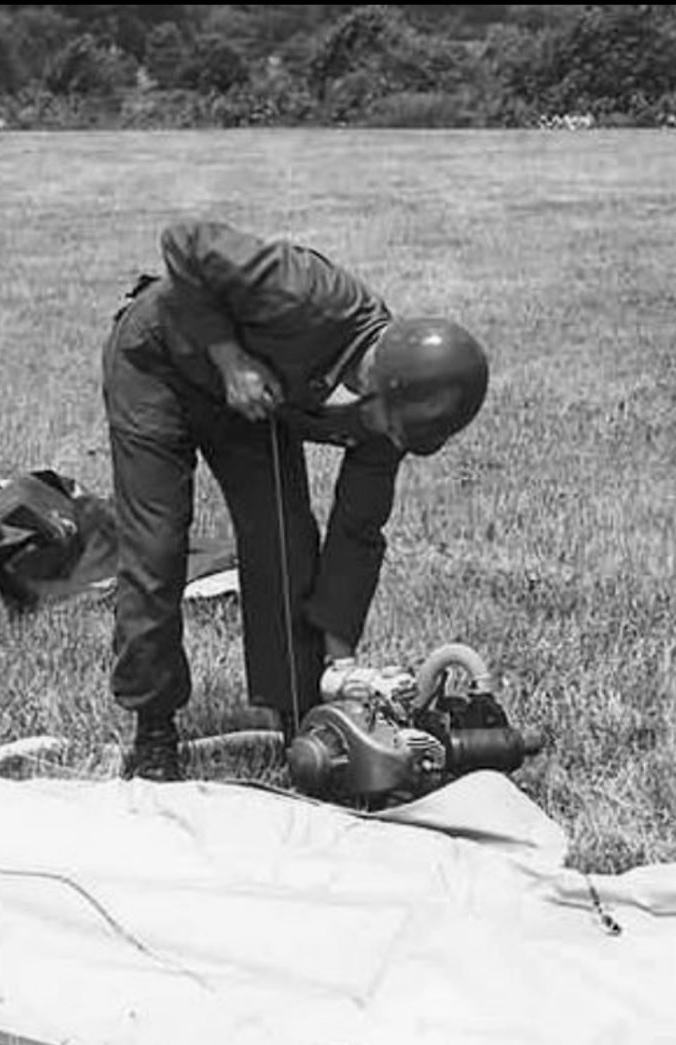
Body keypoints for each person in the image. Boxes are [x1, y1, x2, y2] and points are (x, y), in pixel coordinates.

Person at [101, 218, 489, 782]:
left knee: (285, 541)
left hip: (251, 402)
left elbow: (357, 534)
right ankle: (154, 729)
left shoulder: (393, 419)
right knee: (157, 546)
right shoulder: (309, 292)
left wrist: (340, 662)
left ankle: (299, 721)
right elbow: (184, 239)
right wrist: (232, 361)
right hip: (158, 360)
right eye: (390, 425)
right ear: (380, 380)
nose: (387, 440)